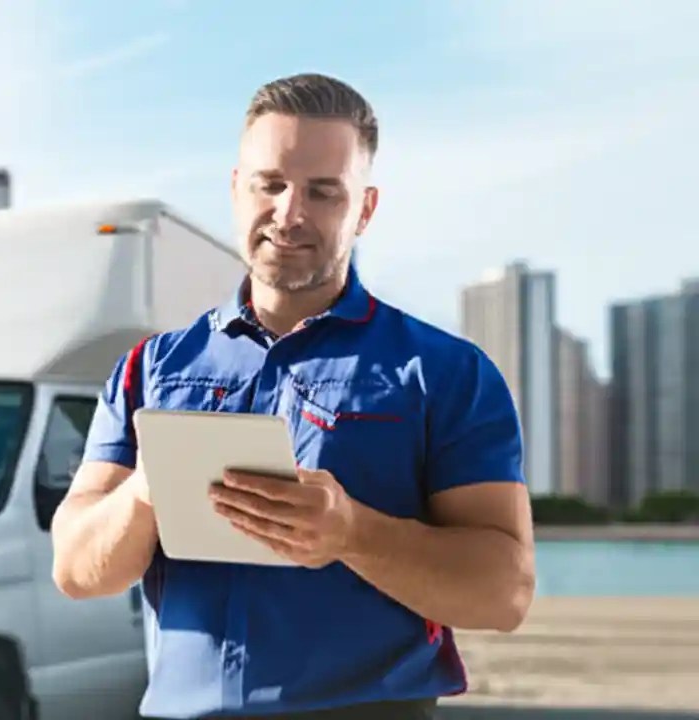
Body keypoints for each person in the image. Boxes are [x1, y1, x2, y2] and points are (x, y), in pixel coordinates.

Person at [50, 72, 535, 720]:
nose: (290, 213)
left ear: (364, 209)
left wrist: (353, 533)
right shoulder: (148, 369)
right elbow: (78, 571)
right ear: (235, 190)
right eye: (270, 184)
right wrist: (146, 490)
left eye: (323, 192)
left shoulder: (447, 373)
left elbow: (504, 592)